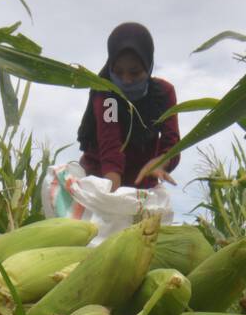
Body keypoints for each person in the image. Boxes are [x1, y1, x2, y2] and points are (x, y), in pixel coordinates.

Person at [77, 22, 180, 190]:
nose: (126, 80)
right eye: (118, 72)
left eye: (135, 72)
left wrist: (160, 163)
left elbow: (172, 144)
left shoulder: (164, 94)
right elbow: (111, 149)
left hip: (142, 184)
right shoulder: (106, 94)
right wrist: (110, 199)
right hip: (101, 181)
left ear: (148, 66)